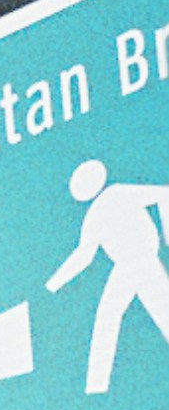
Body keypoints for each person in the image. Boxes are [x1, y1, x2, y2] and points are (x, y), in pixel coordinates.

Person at [48, 158, 169, 391]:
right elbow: (84, 255)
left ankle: (96, 386)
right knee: (114, 313)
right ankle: (96, 386)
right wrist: (53, 284)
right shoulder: (97, 212)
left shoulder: (117, 195)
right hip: (132, 263)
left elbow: (163, 194)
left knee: (116, 312)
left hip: (139, 259)